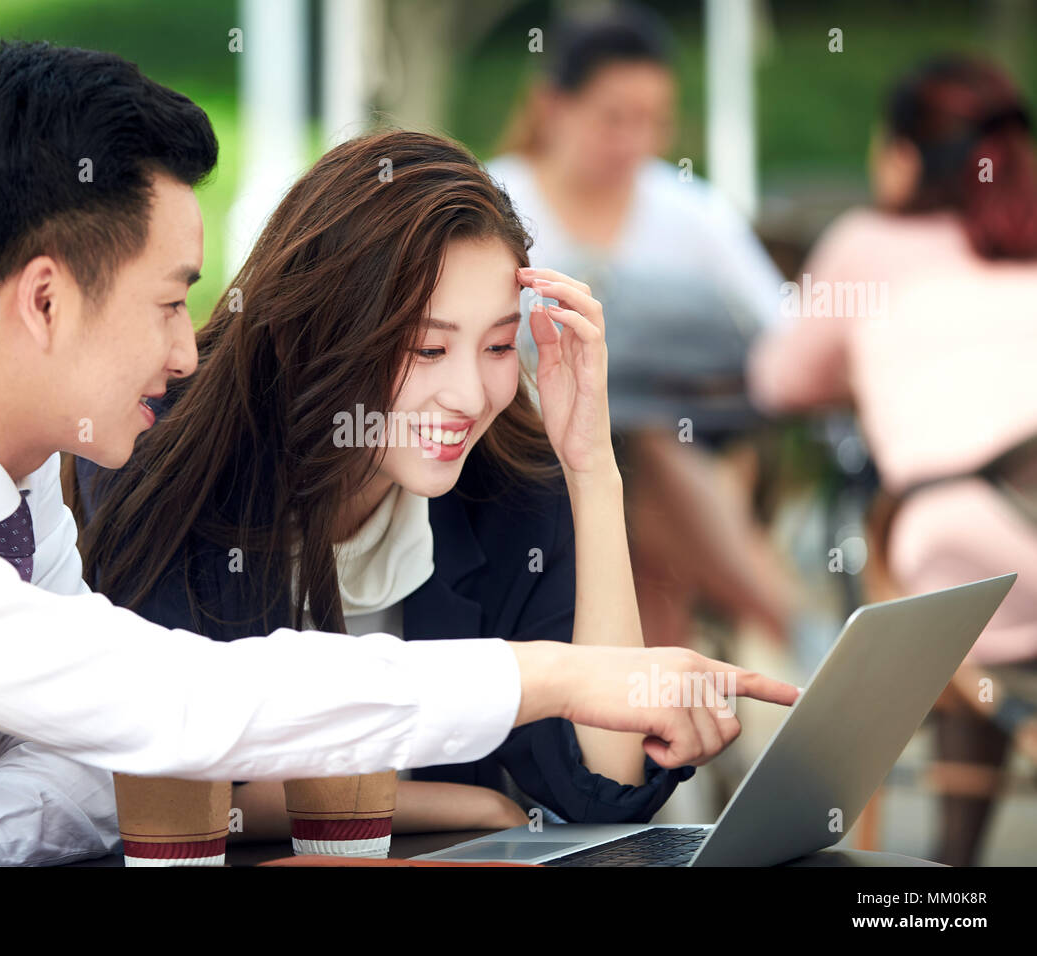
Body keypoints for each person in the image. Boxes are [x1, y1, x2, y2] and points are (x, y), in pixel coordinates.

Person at [0, 39, 800, 868]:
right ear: (46, 300)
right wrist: (568, 676)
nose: (181, 345)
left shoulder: (14, 489)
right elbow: (175, 705)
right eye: (166, 302)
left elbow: (97, 754)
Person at [70, 129, 736, 863]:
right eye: (427, 349)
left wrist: (592, 473)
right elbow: (180, 775)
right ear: (324, 326)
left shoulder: (506, 480)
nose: (468, 396)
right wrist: (471, 805)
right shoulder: (165, 451)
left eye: (496, 347)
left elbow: (600, 790)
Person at [748, 56, 1037, 866]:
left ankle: (941, 875)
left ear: (904, 156)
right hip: (1005, 537)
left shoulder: (868, 244)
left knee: (960, 587)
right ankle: (955, 861)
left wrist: (867, 375)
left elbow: (776, 380)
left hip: (967, 549)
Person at [484, 5, 796, 653]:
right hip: (524, 451)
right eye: (614, 118)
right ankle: (794, 628)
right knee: (635, 460)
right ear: (552, 106)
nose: (636, 143)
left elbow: (783, 335)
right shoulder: (494, 202)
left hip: (675, 451)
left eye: (653, 121)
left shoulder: (689, 212)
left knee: (647, 451)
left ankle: (664, 698)